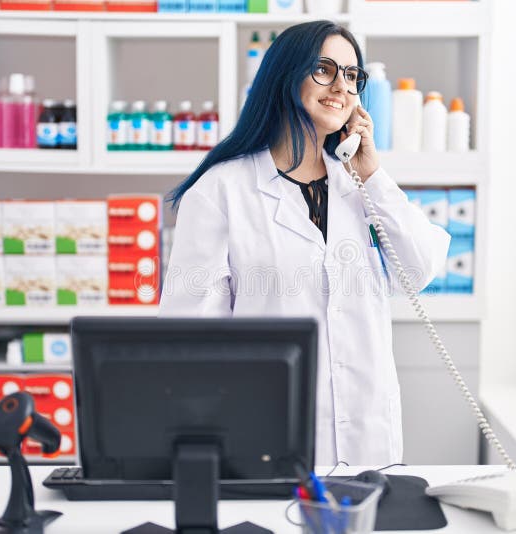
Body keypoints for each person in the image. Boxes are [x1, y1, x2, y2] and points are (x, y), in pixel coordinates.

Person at [159, 20, 450, 466]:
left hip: (367, 437)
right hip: (267, 437)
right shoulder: (223, 191)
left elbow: (420, 269)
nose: (341, 87)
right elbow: (191, 338)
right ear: (284, 75)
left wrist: (373, 174)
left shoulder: (361, 186)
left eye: (352, 76)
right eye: (324, 70)